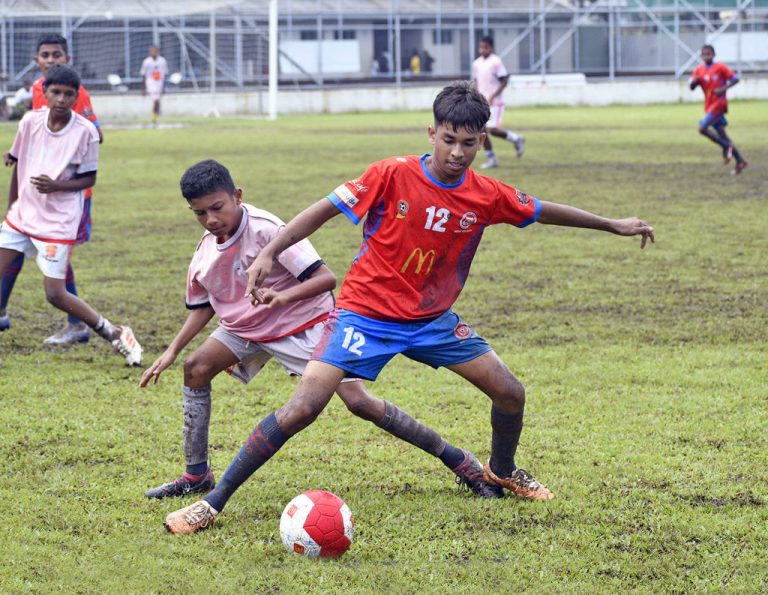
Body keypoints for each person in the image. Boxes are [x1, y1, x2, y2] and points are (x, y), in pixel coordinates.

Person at [163, 81, 655, 535]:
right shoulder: (391, 174)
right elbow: (324, 209)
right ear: (431, 133)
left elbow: (543, 211)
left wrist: (611, 224)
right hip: (363, 315)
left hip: (430, 322)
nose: (457, 152)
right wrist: (271, 250)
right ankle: (214, 501)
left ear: (481, 141)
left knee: (510, 392)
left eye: (468, 143)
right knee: (303, 408)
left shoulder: (487, 195)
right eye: (448, 140)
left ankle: (502, 471)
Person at [145, 160, 498, 513]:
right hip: (246, 328)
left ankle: (456, 459)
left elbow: (326, 279)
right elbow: (205, 303)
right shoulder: (205, 250)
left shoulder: (268, 230)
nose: (210, 219)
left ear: (237, 196)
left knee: (361, 404)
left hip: (303, 326)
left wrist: (281, 298)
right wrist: (173, 350)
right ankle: (196, 476)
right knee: (196, 368)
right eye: (200, 213)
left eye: (217, 208)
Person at [0, 64, 141, 365]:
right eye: (56, 93)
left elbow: (88, 179)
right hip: (21, 217)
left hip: (56, 222)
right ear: (45, 94)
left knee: (55, 294)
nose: (62, 99)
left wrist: (56, 186)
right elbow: (19, 163)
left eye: (68, 94)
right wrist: (12, 209)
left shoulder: (85, 132)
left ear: (76, 97)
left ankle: (116, 334)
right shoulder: (28, 121)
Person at [0, 33, 104, 342]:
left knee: (55, 254)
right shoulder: (38, 91)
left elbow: (94, 135)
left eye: (56, 55)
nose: (51, 60)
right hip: (35, 195)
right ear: (37, 62)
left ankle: (77, 324)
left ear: (66, 58)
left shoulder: (75, 93)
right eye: (45, 55)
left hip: (68, 196)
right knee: (15, 249)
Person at [690, 44, 748, 175]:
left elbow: (735, 79)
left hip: (719, 105)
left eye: (709, 54)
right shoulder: (699, 70)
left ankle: (726, 147)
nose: (706, 56)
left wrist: (723, 89)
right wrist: (694, 82)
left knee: (702, 128)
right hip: (709, 105)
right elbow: (691, 86)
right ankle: (740, 161)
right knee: (723, 135)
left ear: (714, 55)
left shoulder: (720, 67)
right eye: (704, 54)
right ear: (701, 56)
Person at [472, 36, 524, 169]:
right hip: (483, 102)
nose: (483, 50)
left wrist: (493, 95)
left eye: (486, 47)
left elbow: (504, 80)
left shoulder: (496, 61)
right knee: (481, 130)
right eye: (481, 47)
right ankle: (492, 158)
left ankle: (516, 139)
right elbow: (477, 82)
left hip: (495, 102)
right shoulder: (476, 63)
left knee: (491, 129)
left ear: (491, 47)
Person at [140, 45, 167, 126]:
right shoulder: (146, 61)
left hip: (159, 83)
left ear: (157, 51)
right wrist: (143, 88)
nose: (153, 53)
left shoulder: (162, 61)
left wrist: (164, 87)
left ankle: (155, 117)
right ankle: (154, 120)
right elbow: (143, 75)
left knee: (157, 101)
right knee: (155, 100)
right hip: (151, 83)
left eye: (155, 51)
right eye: (151, 51)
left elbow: (164, 74)